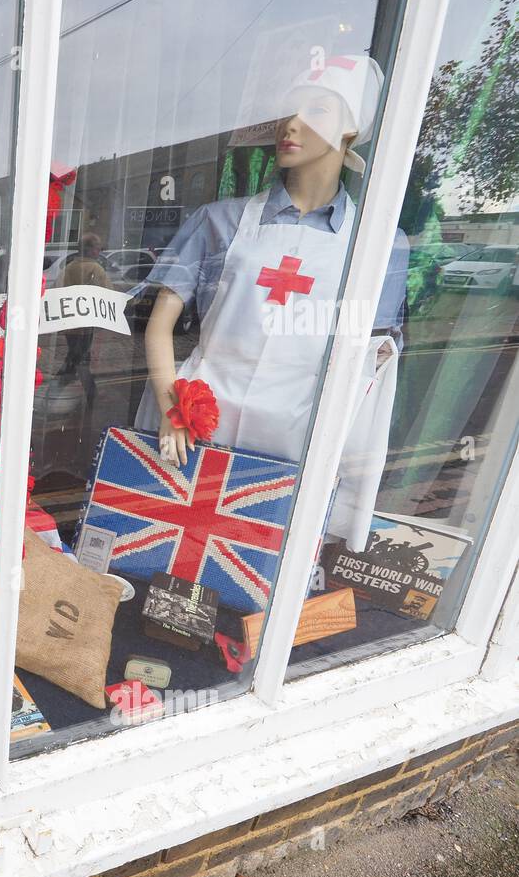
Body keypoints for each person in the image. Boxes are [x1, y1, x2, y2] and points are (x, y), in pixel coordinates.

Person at [135, 56, 407, 550]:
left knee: (261, 555)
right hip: (201, 418)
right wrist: (170, 403)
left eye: (318, 111)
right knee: (173, 543)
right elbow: (160, 327)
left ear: (350, 130)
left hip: (299, 431)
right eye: (289, 109)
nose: (292, 124)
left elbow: (369, 362)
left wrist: (337, 451)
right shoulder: (217, 220)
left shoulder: (378, 242)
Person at [56, 232, 113, 376]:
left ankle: (67, 383)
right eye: (98, 248)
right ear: (91, 249)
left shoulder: (69, 267)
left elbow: (57, 290)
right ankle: (86, 391)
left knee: (75, 354)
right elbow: (109, 293)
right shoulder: (95, 268)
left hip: (69, 322)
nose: (99, 251)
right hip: (86, 323)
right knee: (81, 358)